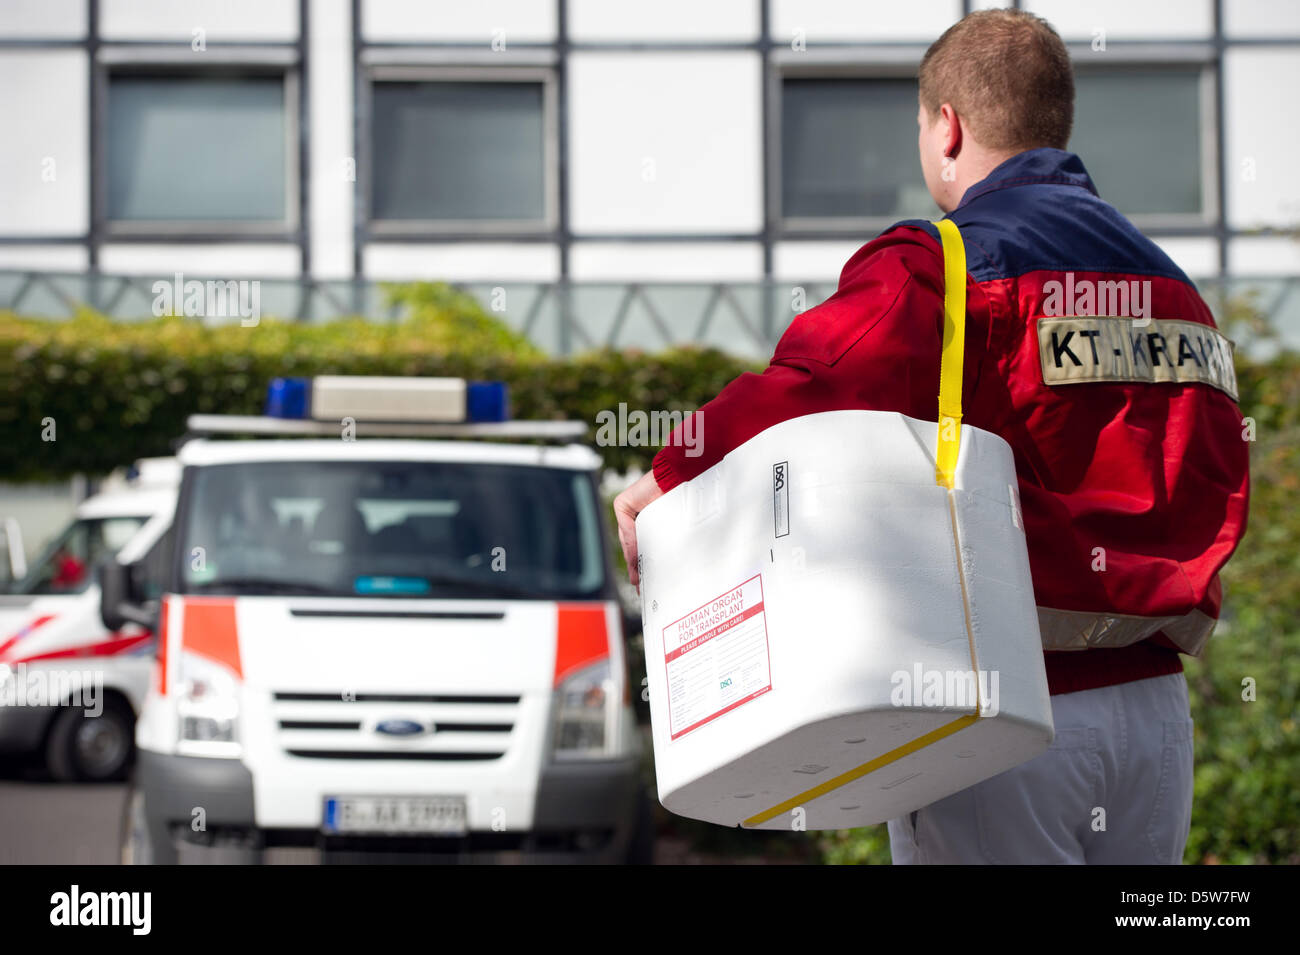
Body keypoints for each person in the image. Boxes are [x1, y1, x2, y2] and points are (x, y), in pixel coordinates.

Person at [613, 8, 1249, 864]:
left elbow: (814, 381)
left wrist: (668, 472)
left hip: (1002, 717)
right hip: (1156, 722)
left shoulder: (944, 264)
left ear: (946, 127)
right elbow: (1216, 473)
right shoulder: (1174, 291)